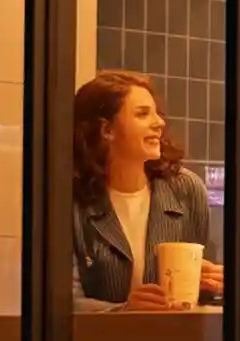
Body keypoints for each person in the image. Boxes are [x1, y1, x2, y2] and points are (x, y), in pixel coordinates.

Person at [72, 70, 222, 311]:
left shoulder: (187, 190)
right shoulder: (72, 201)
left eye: (157, 113)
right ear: (106, 130)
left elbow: (199, 300)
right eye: (142, 114)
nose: (159, 123)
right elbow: (63, 303)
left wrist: (211, 286)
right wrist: (124, 312)